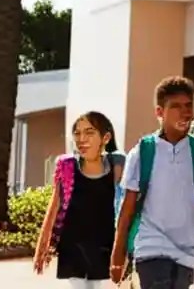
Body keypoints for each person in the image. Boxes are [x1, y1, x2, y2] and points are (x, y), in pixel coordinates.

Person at [110, 76, 194, 289]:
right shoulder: (143, 152)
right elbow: (128, 207)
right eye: (176, 106)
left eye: (188, 105)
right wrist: (118, 252)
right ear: (159, 112)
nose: (185, 112)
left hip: (187, 248)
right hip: (151, 244)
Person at [33, 111, 125, 288]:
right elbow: (54, 207)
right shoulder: (67, 166)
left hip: (105, 246)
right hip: (73, 247)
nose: (82, 139)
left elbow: (126, 204)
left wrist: (125, 247)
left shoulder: (117, 164)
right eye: (77, 133)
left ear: (105, 137)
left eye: (89, 132)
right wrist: (42, 245)